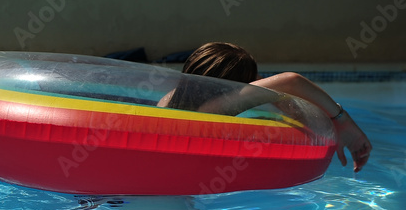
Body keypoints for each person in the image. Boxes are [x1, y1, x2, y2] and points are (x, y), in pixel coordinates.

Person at [157, 42, 372, 172]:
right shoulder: (215, 107)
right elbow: (291, 81)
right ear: (235, 88)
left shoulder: (170, 99)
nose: (258, 82)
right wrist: (341, 120)